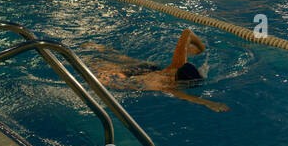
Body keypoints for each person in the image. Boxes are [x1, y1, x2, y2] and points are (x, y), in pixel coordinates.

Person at [84, 29, 226, 111]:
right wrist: (209, 103)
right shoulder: (169, 84)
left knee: (124, 61)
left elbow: (187, 33)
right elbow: (187, 97)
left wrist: (200, 49)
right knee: (99, 70)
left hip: (147, 72)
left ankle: (101, 50)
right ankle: (94, 55)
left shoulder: (177, 65)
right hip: (136, 78)